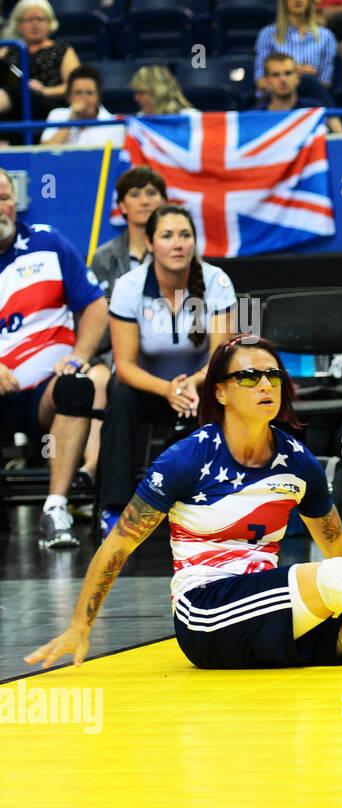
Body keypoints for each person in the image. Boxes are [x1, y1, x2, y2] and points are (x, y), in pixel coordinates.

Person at [24, 336, 342, 672]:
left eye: (273, 376)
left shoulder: (298, 462)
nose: (265, 385)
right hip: (205, 613)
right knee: (337, 580)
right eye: (249, 376)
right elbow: (117, 546)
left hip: (270, 614)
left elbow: (339, 545)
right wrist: (80, 625)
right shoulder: (187, 458)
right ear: (219, 391)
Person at [97, 205, 236, 537]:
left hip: (201, 386)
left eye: (185, 236)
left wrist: (192, 383)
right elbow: (125, 367)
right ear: (149, 243)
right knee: (119, 391)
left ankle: (227, 502)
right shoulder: (129, 287)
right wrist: (167, 390)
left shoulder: (216, 280)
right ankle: (114, 509)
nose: (178, 244)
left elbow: (221, 356)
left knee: (232, 385)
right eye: (167, 236)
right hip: (149, 390)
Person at [0, 168, 108, 550]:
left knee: (78, 388)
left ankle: (55, 507)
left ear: (17, 203)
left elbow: (95, 305)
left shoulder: (48, 243)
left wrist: (79, 356)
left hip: (44, 394)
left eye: (4, 198)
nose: (0, 208)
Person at [91, 167, 166, 302]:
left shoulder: (179, 251)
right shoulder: (102, 258)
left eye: (151, 193)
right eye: (135, 194)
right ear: (122, 206)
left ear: (164, 202)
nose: (144, 201)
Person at [0, 0, 79, 125]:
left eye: (40, 19)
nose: (35, 24)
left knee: (20, 90)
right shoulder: (7, 50)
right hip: (13, 109)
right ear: (19, 24)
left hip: (49, 107)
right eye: (29, 20)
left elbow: (75, 86)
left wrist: (44, 91)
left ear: (49, 23)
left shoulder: (63, 50)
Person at [255, 0, 340, 92]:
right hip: (275, 97)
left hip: (312, 95)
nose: (298, 0)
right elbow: (260, 81)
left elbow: (326, 83)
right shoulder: (267, 34)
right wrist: (288, 79)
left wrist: (310, 80)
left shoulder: (326, 36)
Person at [258, 52, 342, 132]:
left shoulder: (314, 110)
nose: (283, 79)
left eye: (288, 73)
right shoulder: (257, 115)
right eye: (275, 75)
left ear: (297, 78)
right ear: (267, 81)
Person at [40, 66, 125, 149]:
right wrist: (71, 119)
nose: (84, 98)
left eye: (89, 93)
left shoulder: (114, 124)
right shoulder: (57, 115)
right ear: (69, 96)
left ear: (98, 96)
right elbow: (44, 152)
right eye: (78, 92)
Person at [130, 65, 195, 116]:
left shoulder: (191, 118)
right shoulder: (139, 122)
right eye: (136, 93)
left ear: (159, 92)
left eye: (141, 93)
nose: (136, 98)